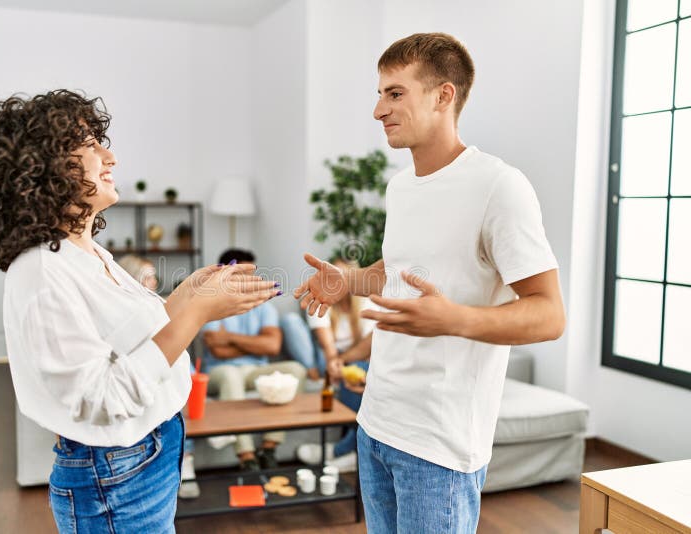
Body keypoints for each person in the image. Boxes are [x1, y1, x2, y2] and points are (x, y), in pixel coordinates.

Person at [0, 90, 280, 533]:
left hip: (146, 455)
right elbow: (103, 398)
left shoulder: (82, 251)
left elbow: (132, 339)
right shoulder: (40, 272)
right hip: (113, 474)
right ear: (42, 168)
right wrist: (193, 314)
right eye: (89, 144)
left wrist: (188, 295)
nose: (110, 156)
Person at [294, 33, 565, 533]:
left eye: (395, 93)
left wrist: (455, 319)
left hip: (438, 446)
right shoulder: (401, 186)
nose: (378, 110)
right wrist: (347, 281)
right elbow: (399, 269)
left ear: (444, 95)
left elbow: (549, 314)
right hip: (376, 424)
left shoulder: (499, 187)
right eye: (379, 94)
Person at [201, 248, 307, 471]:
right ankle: (246, 456)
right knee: (231, 376)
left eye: (252, 272)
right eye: (242, 272)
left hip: (254, 372)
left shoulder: (264, 305)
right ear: (225, 274)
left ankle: (269, 448)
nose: (249, 279)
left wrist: (229, 337)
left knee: (295, 370)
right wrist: (255, 345)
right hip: (220, 371)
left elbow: (272, 346)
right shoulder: (211, 302)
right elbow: (218, 351)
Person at [117, 255, 199, 499]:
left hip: (171, 372)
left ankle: (189, 460)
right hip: (145, 376)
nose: (154, 281)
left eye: (154, 275)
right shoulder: (124, 312)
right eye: (148, 276)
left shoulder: (158, 305)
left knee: (189, 376)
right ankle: (187, 463)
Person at [282, 257, 374, 472]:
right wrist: (335, 364)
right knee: (291, 322)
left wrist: (343, 364)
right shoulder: (319, 299)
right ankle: (314, 371)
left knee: (360, 369)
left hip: (356, 357)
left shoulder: (367, 302)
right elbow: (328, 346)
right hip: (325, 353)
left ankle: (343, 449)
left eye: (343, 277)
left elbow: (369, 345)